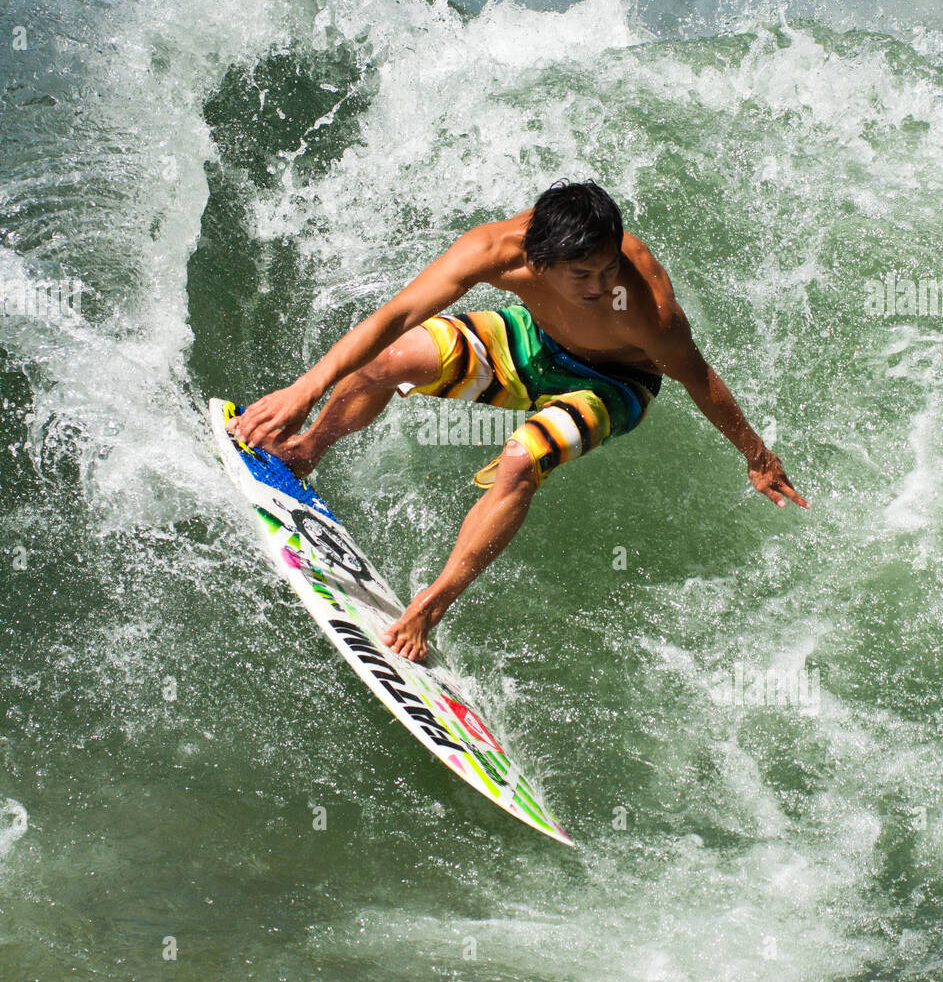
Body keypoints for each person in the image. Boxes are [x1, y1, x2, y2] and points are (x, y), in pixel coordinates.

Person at [228, 180, 808, 660]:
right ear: (538, 261)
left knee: (521, 459)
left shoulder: (644, 309)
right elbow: (397, 313)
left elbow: (698, 379)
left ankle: (430, 608)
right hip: (533, 342)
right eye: (582, 275)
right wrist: (306, 389)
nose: (602, 286)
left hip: (614, 384)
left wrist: (758, 456)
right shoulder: (492, 251)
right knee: (390, 359)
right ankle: (305, 453)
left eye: (607, 268)